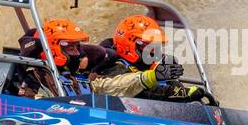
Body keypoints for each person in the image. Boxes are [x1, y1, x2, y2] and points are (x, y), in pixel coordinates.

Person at [89, 15, 217, 104]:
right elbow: (140, 93)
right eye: (148, 45)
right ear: (131, 43)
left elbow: (176, 92)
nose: (154, 50)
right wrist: (183, 93)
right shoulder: (112, 64)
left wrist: (191, 96)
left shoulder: (156, 66)